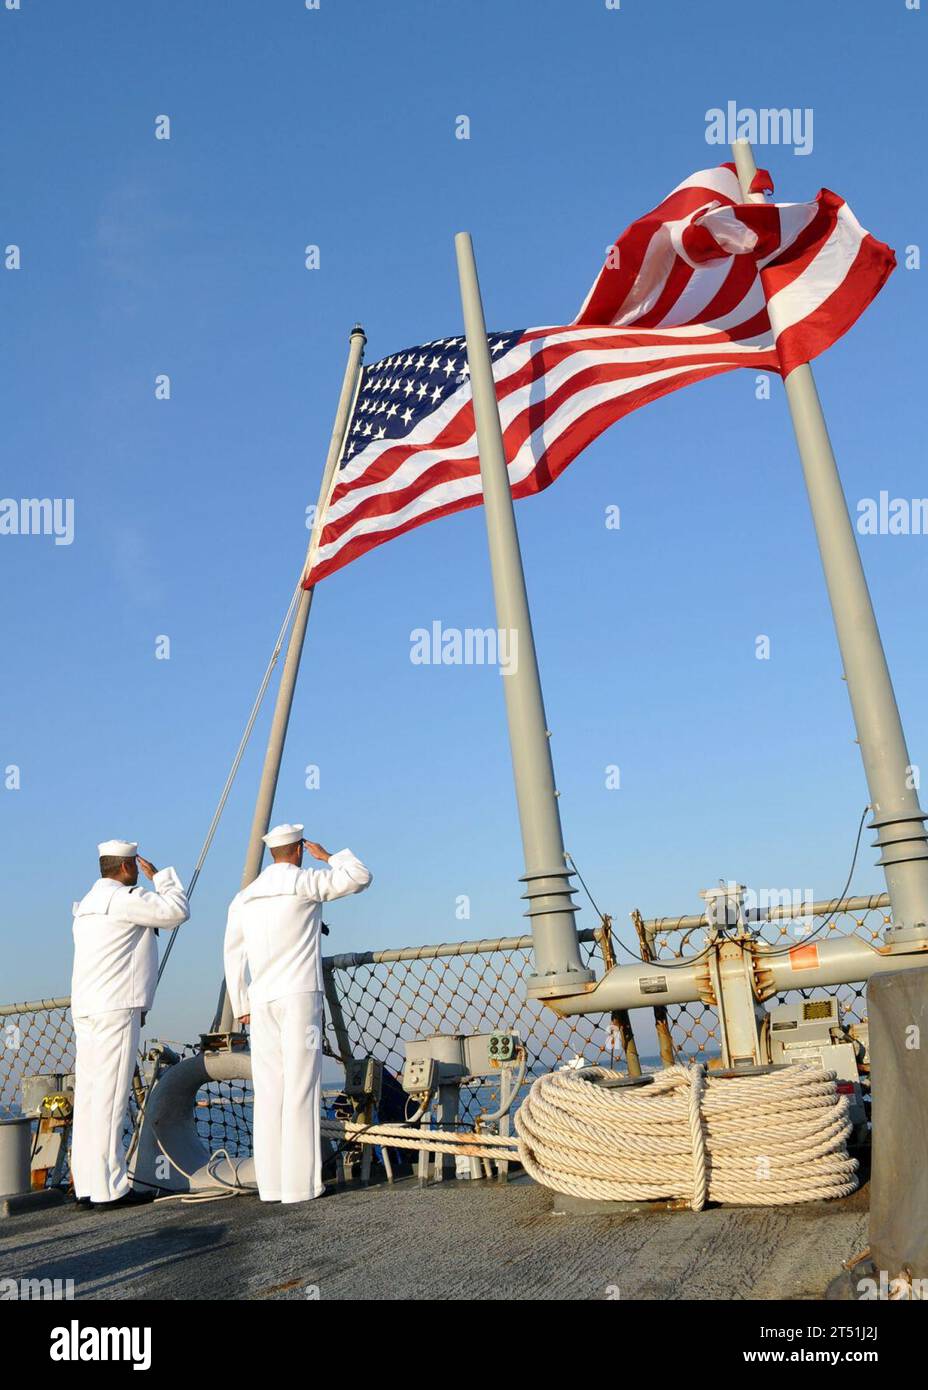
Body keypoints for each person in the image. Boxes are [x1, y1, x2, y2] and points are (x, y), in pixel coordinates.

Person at [223, 824, 371, 1204]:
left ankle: (271, 1185)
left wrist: (241, 1004)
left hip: (261, 1001)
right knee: (302, 1087)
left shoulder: (246, 897)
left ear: (273, 853)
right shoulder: (304, 882)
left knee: (270, 1089)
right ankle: (301, 1186)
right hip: (298, 994)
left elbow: (232, 952)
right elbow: (359, 877)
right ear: (300, 850)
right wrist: (331, 856)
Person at [70, 839, 189, 1210]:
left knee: (90, 1098)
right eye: (135, 866)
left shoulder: (87, 905)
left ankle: (87, 1186)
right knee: (110, 1098)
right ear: (127, 867)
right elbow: (175, 912)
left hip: (87, 1009)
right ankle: (110, 1189)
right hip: (115, 1009)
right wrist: (164, 878)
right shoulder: (123, 900)